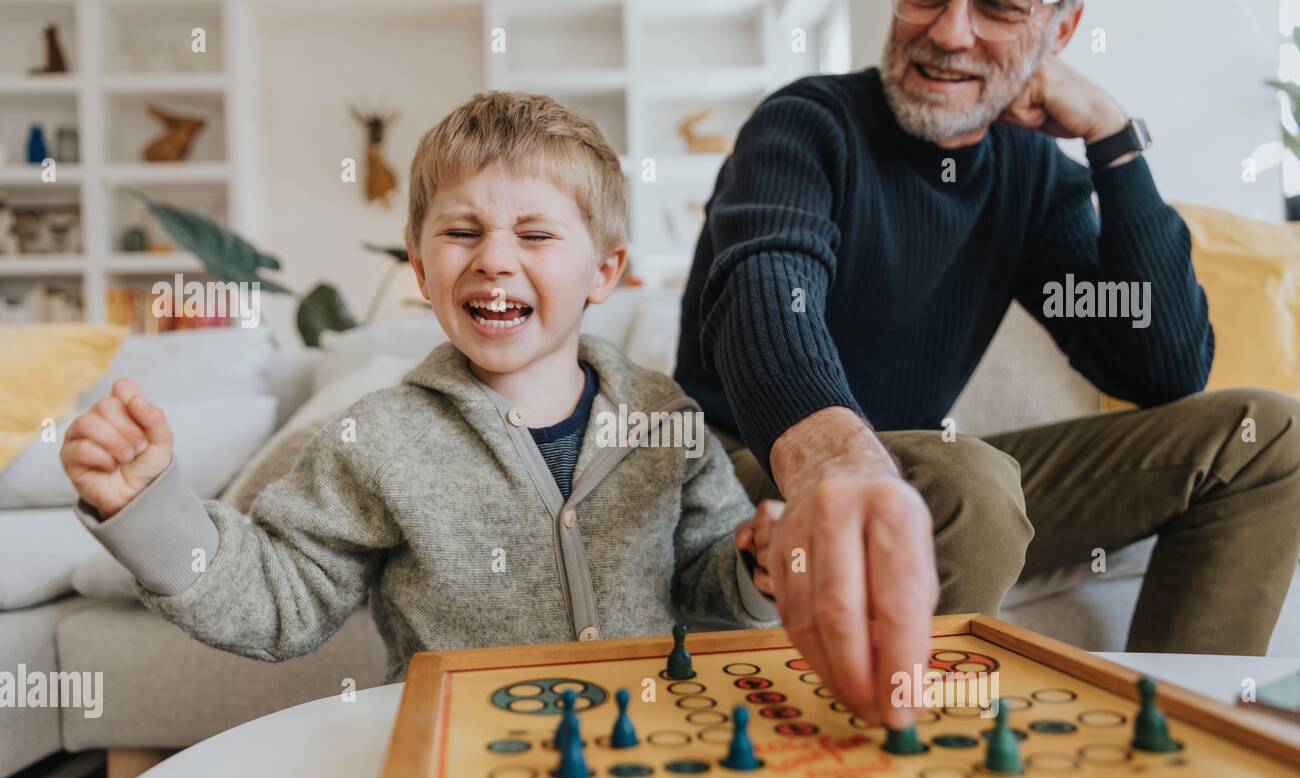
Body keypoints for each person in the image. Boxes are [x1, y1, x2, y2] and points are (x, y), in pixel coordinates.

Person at [680, 0, 1300, 727]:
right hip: (748, 468)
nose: (948, 32)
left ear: (1059, 34)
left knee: (1269, 437)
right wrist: (837, 465)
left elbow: (1162, 368)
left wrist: (1114, 141)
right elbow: (766, 282)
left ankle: (1180, 743)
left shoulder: (1033, 177)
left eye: (999, 8)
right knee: (966, 483)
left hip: (928, 481)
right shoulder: (806, 123)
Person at [62, 91, 777, 683]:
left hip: (638, 754)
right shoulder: (376, 437)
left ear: (604, 272)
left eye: (535, 236)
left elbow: (707, 575)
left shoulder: (666, 419)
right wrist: (151, 512)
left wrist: (759, 567)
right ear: (420, 268)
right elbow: (283, 599)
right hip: (457, 760)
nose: (495, 259)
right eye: (463, 231)